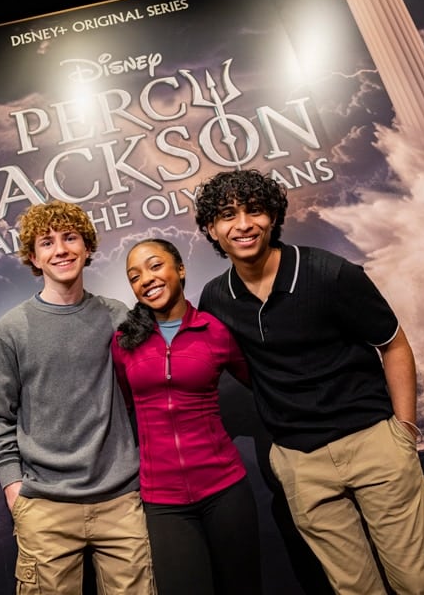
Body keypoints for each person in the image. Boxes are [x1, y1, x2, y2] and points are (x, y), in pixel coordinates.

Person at [193, 168, 424, 595]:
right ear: (212, 228)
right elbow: (235, 367)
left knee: (421, 584)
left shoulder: (330, 273)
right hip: (300, 462)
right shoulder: (216, 298)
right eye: (227, 215)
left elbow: (393, 345)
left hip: (373, 443)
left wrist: (405, 432)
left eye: (254, 211)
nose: (243, 224)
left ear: (273, 217)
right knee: (354, 590)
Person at [0, 200, 156, 594]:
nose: (60, 250)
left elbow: (147, 392)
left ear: (87, 247)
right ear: (33, 257)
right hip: (45, 506)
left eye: (70, 238)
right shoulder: (11, 330)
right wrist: (14, 489)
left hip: (122, 501)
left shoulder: (118, 317)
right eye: (47, 242)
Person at [110, 238, 262, 595]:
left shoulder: (215, 330)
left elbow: (260, 382)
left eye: (155, 266)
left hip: (225, 489)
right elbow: (125, 405)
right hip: (163, 501)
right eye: (134, 276)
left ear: (180, 269)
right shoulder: (123, 342)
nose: (146, 278)